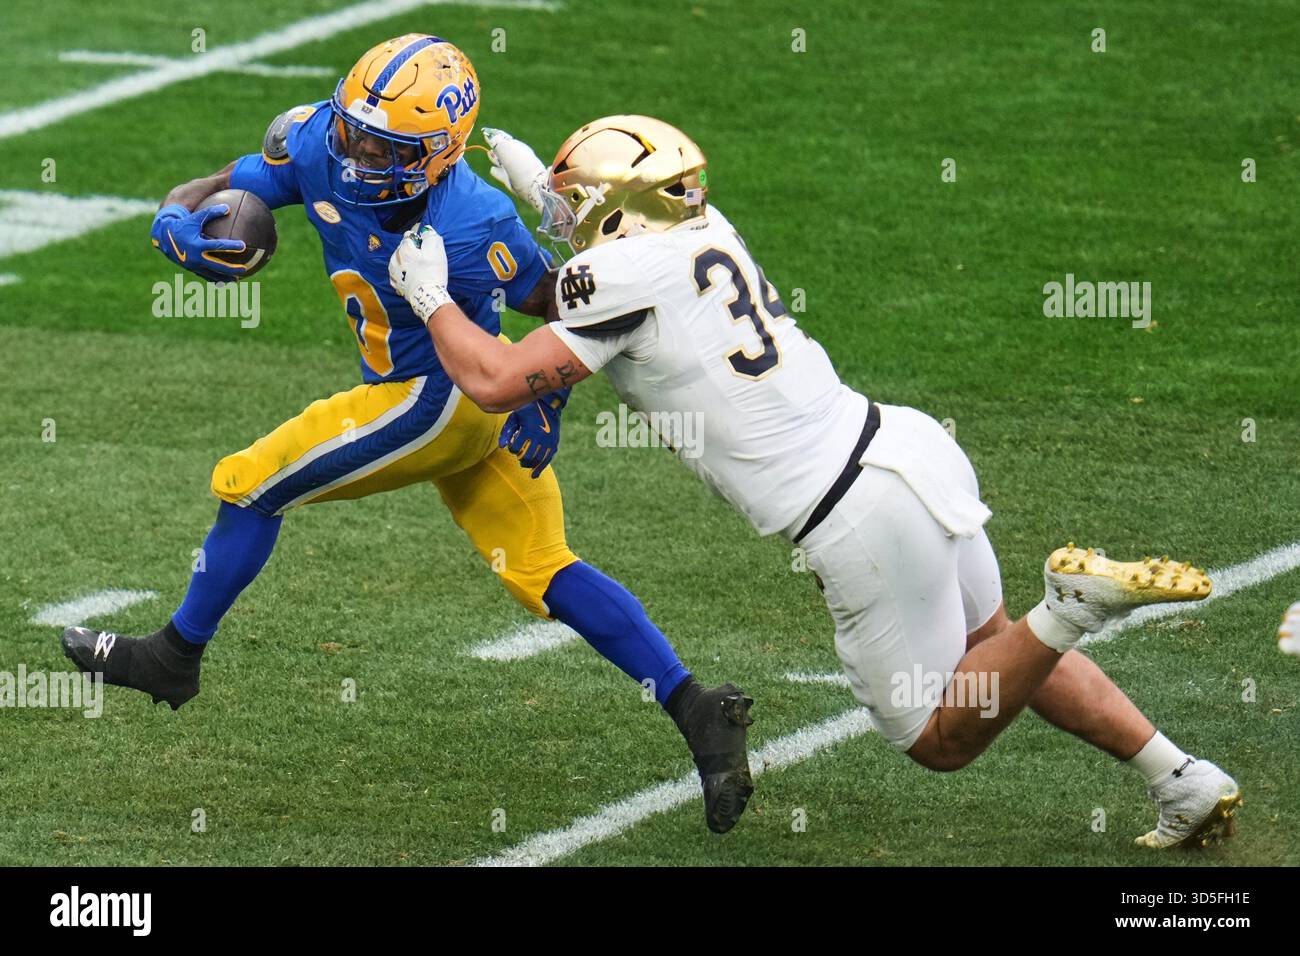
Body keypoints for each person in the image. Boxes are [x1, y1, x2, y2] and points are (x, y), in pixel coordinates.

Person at [388, 115, 1243, 850]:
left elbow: (499, 378)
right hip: (904, 447)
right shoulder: (706, 225)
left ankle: (1074, 606)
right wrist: (548, 194)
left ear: (615, 209)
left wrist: (432, 299)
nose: (571, 214)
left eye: (581, 201)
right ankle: (1182, 776)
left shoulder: (613, 277)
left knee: (938, 736)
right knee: (994, 646)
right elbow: (605, 281)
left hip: (853, 515)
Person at [61, 45, 753, 835]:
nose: (358, 154)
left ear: (441, 152)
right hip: (463, 400)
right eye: (355, 134)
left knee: (252, 483)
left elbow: (561, 305)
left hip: (437, 400)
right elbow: (224, 182)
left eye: (384, 148)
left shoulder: (473, 218)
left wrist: (545, 395)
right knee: (540, 566)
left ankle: (174, 656)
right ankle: (695, 706)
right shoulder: (322, 143)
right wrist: (174, 222)